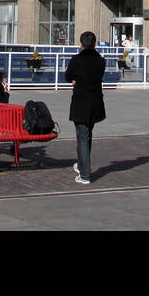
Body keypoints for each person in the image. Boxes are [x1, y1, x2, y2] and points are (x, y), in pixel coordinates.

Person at [65, 30, 106, 186]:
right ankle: (82, 165)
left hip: (81, 102)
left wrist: (75, 80)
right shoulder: (100, 60)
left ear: (81, 44)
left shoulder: (76, 60)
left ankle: (85, 174)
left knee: (82, 137)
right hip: (95, 102)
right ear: (94, 43)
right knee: (87, 135)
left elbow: (68, 76)